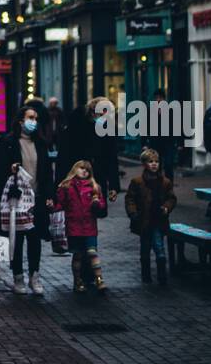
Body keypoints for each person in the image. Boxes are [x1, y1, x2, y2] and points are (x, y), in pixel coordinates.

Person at [0, 105, 53, 296]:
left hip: (36, 198)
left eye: (36, 118)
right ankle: (18, 277)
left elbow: (47, 172)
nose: (34, 122)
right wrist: (10, 168)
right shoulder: (9, 142)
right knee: (17, 239)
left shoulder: (40, 143)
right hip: (17, 199)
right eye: (31, 118)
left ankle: (34, 277)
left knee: (35, 239)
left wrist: (49, 196)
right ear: (20, 121)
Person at [124, 147, 176, 287]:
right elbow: (130, 199)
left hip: (159, 219)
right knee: (145, 248)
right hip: (144, 220)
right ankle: (146, 275)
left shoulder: (165, 182)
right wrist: (133, 213)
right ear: (144, 164)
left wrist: (166, 207)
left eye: (156, 161)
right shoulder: (137, 182)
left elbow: (171, 198)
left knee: (159, 248)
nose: (154, 164)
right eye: (151, 161)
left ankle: (162, 277)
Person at [55, 158, 108, 293]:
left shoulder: (94, 187)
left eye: (87, 170)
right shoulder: (66, 186)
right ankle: (78, 281)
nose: (84, 171)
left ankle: (99, 278)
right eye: (81, 168)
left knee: (92, 252)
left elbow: (101, 205)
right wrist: (52, 207)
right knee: (77, 255)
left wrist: (97, 205)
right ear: (74, 169)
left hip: (89, 226)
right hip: (74, 227)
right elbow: (60, 204)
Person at [60, 97, 120, 211]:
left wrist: (113, 186)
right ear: (93, 112)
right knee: (78, 212)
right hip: (78, 175)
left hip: (98, 175)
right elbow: (65, 154)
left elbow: (111, 157)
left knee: (96, 210)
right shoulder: (77, 123)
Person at [148, 87, 177, 180]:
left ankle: (169, 186)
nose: (158, 100)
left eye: (160, 98)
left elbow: (176, 126)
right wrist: (145, 143)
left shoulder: (170, 110)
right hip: (155, 143)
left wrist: (179, 142)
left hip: (168, 142)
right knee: (156, 166)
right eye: (156, 98)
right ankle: (158, 186)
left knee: (168, 165)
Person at [44, 97, 65, 188]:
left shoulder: (59, 111)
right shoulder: (47, 111)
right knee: (49, 147)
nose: (53, 104)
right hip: (50, 133)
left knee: (58, 146)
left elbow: (63, 120)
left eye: (54, 103)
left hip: (57, 132)